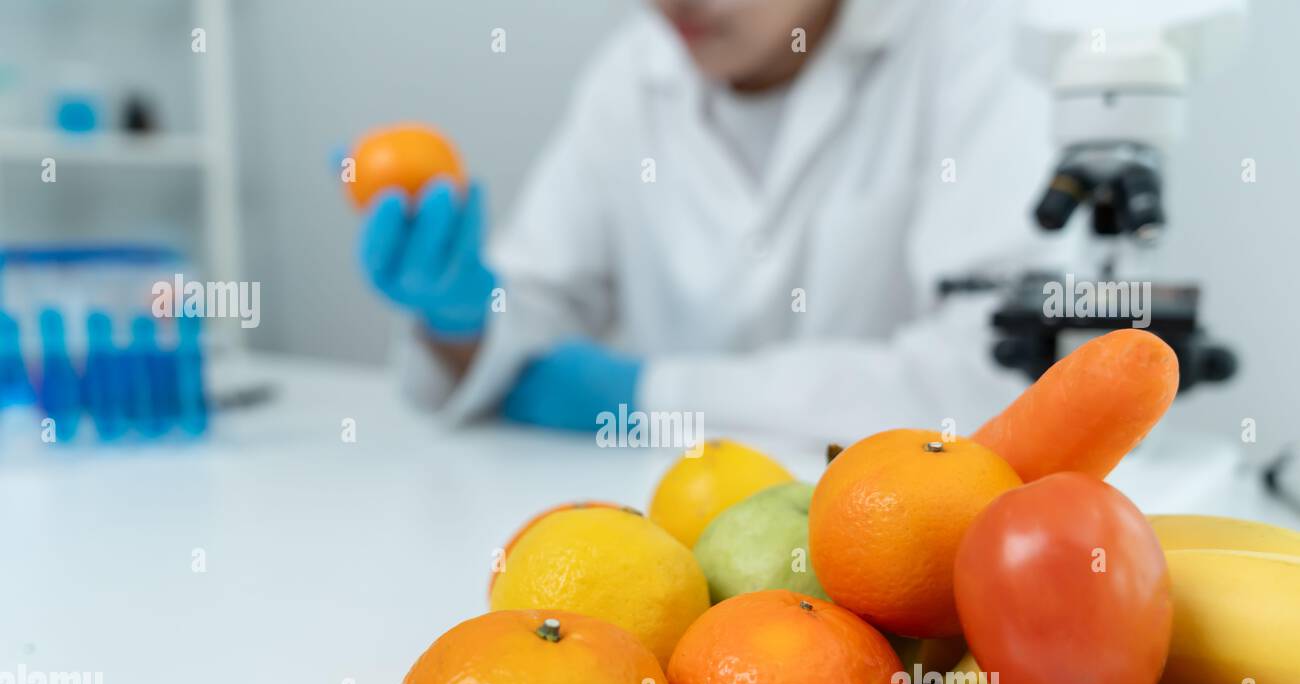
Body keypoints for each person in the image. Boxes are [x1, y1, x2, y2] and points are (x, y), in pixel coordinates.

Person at [358, 0, 1067, 443]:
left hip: (915, 552)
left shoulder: (975, 38)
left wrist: (655, 395)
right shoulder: (633, 72)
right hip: (686, 538)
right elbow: (531, 324)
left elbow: (993, 380)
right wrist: (465, 324)